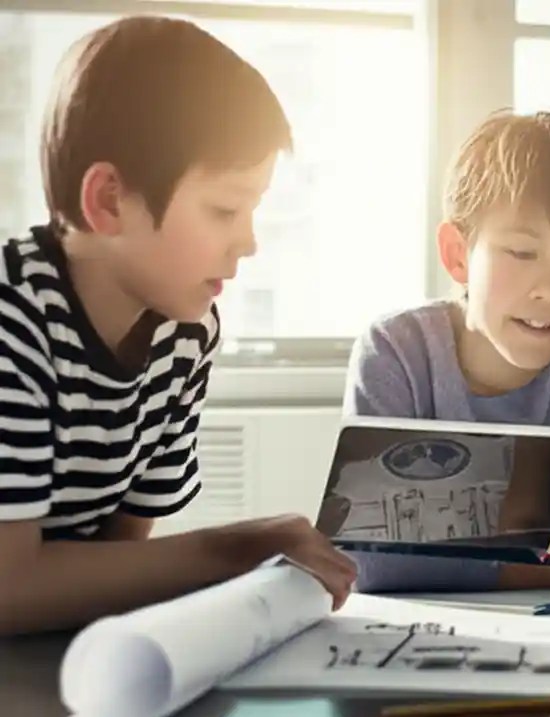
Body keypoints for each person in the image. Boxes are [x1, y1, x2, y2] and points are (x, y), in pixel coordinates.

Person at [0, 16, 356, 636]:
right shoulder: (15, 318)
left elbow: (122, 564)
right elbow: (8, 588)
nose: (247, 242)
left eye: (253, 210)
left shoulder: (184, 335)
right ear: (108, 201)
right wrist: (238, 547)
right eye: (224, 209)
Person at [341, 110, 550, 592]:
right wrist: (547, 565)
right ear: (458, 254)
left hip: (545, 624)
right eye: (522, 253)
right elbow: (373, 564)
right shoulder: (395, 349)